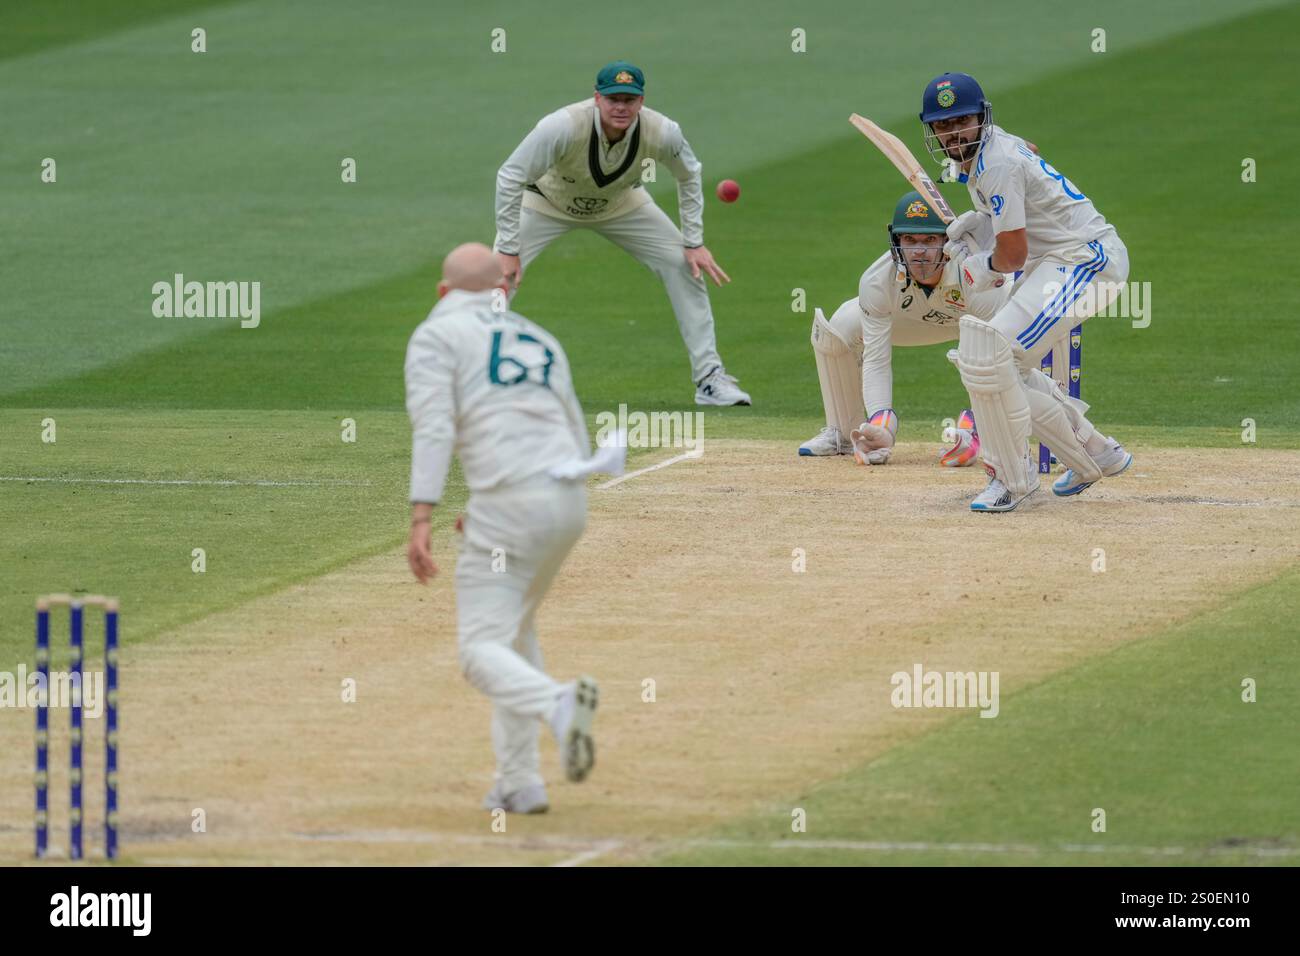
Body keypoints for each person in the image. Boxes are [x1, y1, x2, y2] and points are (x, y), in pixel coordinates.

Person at [405, 242, 606, 814]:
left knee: (478, 651)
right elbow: (574, 427)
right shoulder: (538, 336)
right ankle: (519, 782)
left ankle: (558, 704)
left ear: (443, 293)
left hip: (512, 502)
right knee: (515, 632)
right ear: (502, 289)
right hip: (566, 500)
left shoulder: (435, 335)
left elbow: (435, 427)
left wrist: (423, 514)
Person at [921, 72, 1134, 512]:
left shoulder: (994, 163)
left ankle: (1011, 480)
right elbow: (1027, 164)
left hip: (1085, 261)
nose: (953, 132)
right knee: (1000, 362)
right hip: (1061, 261)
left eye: (961, 120)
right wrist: (981, 222)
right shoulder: (988, 151)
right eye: (943, 125)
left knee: (989, 352)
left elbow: (1013, 256)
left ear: (981, 118)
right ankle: (1094, 451)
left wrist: (983, 264)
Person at [493, 60, 751, 406]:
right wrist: (509, 248)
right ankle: (480, 375)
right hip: (546, 203)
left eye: (629, 100)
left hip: (620, 204)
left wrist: (693, 242)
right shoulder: (561, 126)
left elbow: (689, 175)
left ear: (641, 102)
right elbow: (510, 175)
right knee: (495, 277)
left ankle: (709, 380)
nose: (621, 107)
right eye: (613, 98)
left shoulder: (663, 131)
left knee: (683, 264)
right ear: (597, 98)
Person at [799, 190, 1009, 466]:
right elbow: (876, 359)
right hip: (916, 320)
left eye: (929, 240)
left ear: (946, 241)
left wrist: (977, 426)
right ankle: (843, 432)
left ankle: (1049, 437)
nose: (919, 250)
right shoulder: (877, 279)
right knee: (840, 326)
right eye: (909, 239)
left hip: (987, 320)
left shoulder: (974, 273)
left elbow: (994, 351)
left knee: (1039, 318)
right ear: (896, 241)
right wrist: (882, 424)